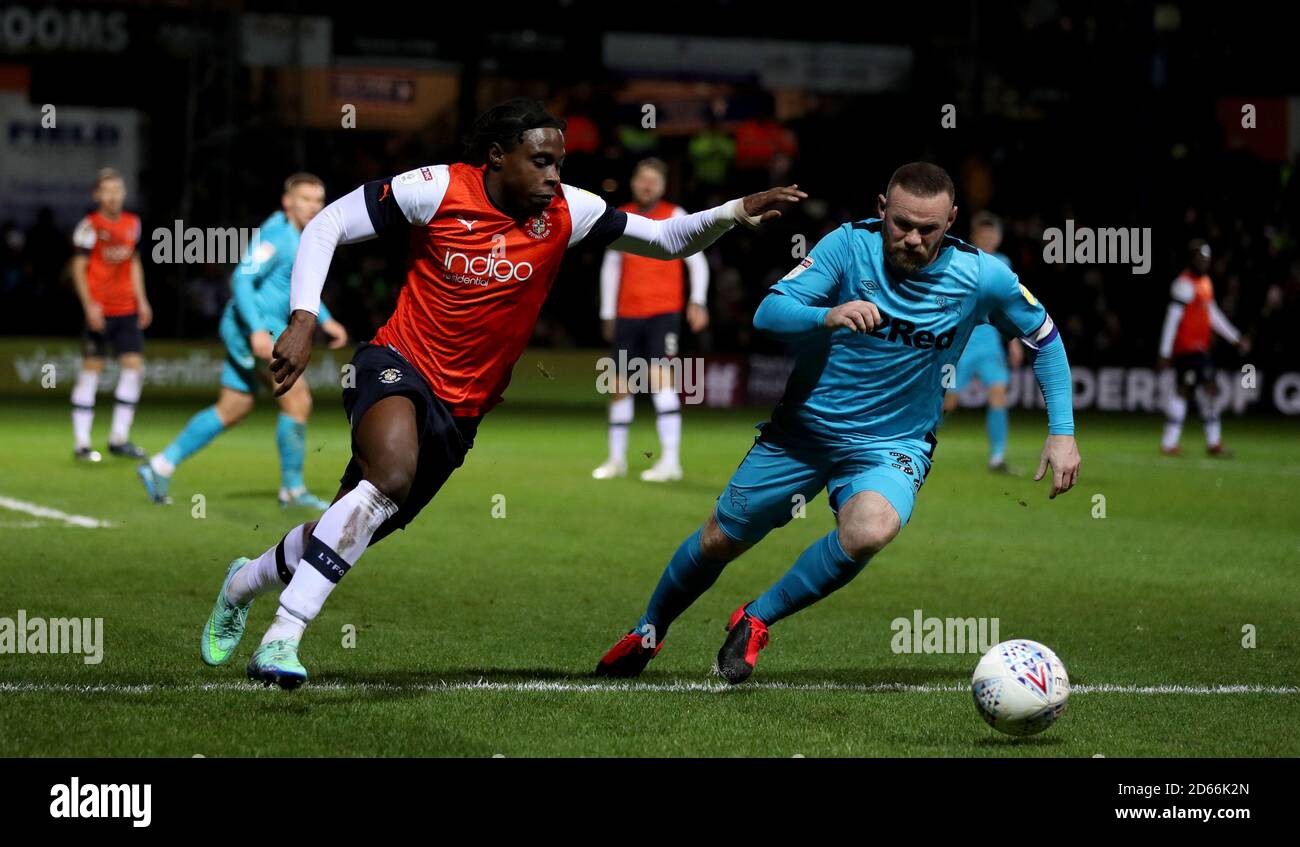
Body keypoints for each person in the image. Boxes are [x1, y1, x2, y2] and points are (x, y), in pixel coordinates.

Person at [196, 98, 805, 688]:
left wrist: (733, 211)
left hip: (463, 410)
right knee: (389, 477)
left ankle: (243, 583)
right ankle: (285, 634)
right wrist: (302, 318)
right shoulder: (435, 188)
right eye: (539, 161)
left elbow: (667, 240)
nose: (553, 175)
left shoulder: (570, 211)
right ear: (496, 157)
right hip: (396, 364)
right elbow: (328, 222)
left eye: (558, 163)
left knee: (350, 523)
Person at [596, 163, 1080, 684]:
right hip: (801, 435)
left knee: (870, 530)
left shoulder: (981, 276)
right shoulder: (846, 247)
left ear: (952, 220)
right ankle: (648, 630)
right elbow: (770, 312)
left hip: (892, 442)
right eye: (901, 224)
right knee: (719, 541)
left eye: (928, 229)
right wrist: (824, 315)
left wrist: (1062, 431)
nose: (912, 239)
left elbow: (1044, 337)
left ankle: (756, 619)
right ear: (881, 209)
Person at [593, 158, 709, 482]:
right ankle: (616, 460)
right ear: (633, 182)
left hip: (663, 312)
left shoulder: (676, 215)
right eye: (643, 179)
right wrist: (607, 312)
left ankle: (671, 462)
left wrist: (697, 300)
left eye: (654, 181)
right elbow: (611, 266)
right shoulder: (621, 217)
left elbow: (697, 261)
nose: (647, 186)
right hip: (628, 313)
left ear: (662, 186)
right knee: (618, 386)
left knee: (661, 380)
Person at [69, 168, 149, 462]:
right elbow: (78, 268)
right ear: (97, 195)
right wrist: (89, 304)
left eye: (118, 189)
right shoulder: (89, 226)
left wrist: (142, 301)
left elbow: (135, 263)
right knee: (92, 369)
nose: (113, 195)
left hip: (126, 309)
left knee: (134, 368)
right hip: (100, 309)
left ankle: (119, 438)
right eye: (107, 190)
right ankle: (82, 443)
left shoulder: (133, 224)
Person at [1158, 240, 1249, 456]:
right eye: (1200, 258)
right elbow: (1172, 320)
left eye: (1206, 259)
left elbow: (1213, 315)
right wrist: (1164, 352)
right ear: (1191, 259)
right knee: (1200, 389)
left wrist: (1234, 337)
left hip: (1200, 349)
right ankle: (1206, 442)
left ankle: (1176, 442)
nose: (1203, 262)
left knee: (1192, 391)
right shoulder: (1183, 284)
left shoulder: (1205, 283)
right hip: (1187, 349)